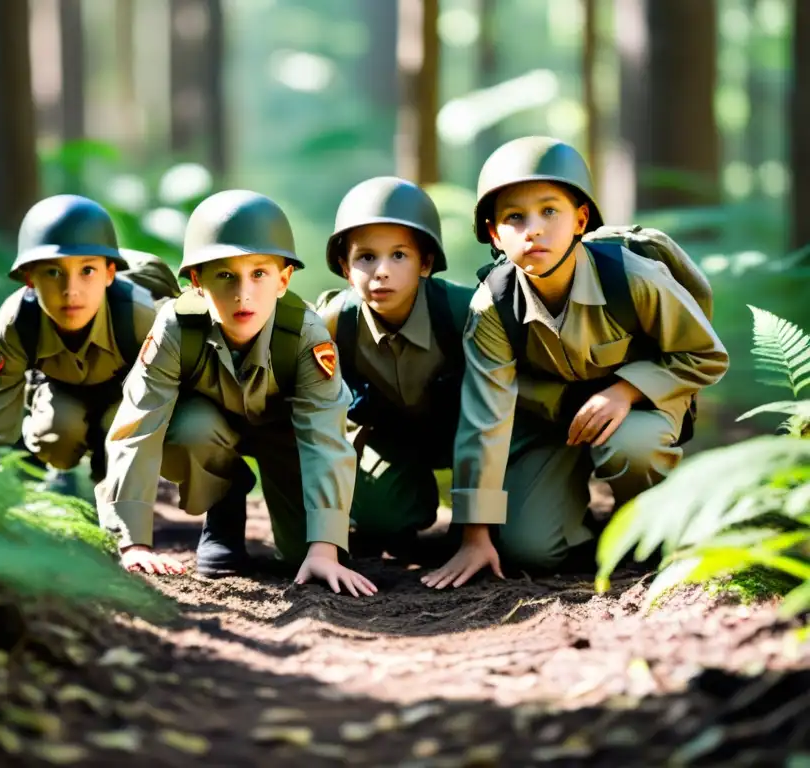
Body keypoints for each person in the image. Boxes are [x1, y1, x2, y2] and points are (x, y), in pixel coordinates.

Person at [423, 136, 730, 589]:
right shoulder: (493, 307)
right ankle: (595, 535)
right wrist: (474, 534)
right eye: (514, 217)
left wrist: (626, 390)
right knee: (530, 550)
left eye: (550, 211)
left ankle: (652, 530)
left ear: (580, 219)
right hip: (553, 421)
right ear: (494, 234)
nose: (534, 229)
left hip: (637, 412)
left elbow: (706, 355)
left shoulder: (633, 278)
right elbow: (484, 417)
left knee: (634, 445)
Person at [96, 189, 378, 597]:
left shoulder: (305, 334)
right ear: (196, 281)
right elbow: (138, 424)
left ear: (284, 280)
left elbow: (325, 439)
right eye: (225, 275)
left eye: (259, 274)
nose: (242, 293)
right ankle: (224, 509)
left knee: (306, 552)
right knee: (189, 429)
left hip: (287, 440)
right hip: (210, 431)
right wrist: (132, 540)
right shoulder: (176, 327)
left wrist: (324, 546)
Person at [0, 194, 170, 487]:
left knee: (122, 438)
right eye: (53, 272)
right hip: (61, 389)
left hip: (128, 395)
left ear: (110, 274)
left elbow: (174, 390)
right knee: (54, 435)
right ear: (30, 279)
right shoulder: (19, 321)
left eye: (87, 271)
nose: (70, 290)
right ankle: (63, 470)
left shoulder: (140, 315)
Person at [316, 176, 475, 559]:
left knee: (517, 536)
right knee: (378, 519)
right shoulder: (337, 321)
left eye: (399, 255)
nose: (381, 271)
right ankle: (405, 504)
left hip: (468, 434)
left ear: (426, 262)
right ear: (344, 267)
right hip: (393, 438)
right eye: (366, 257)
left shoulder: (462, 311)